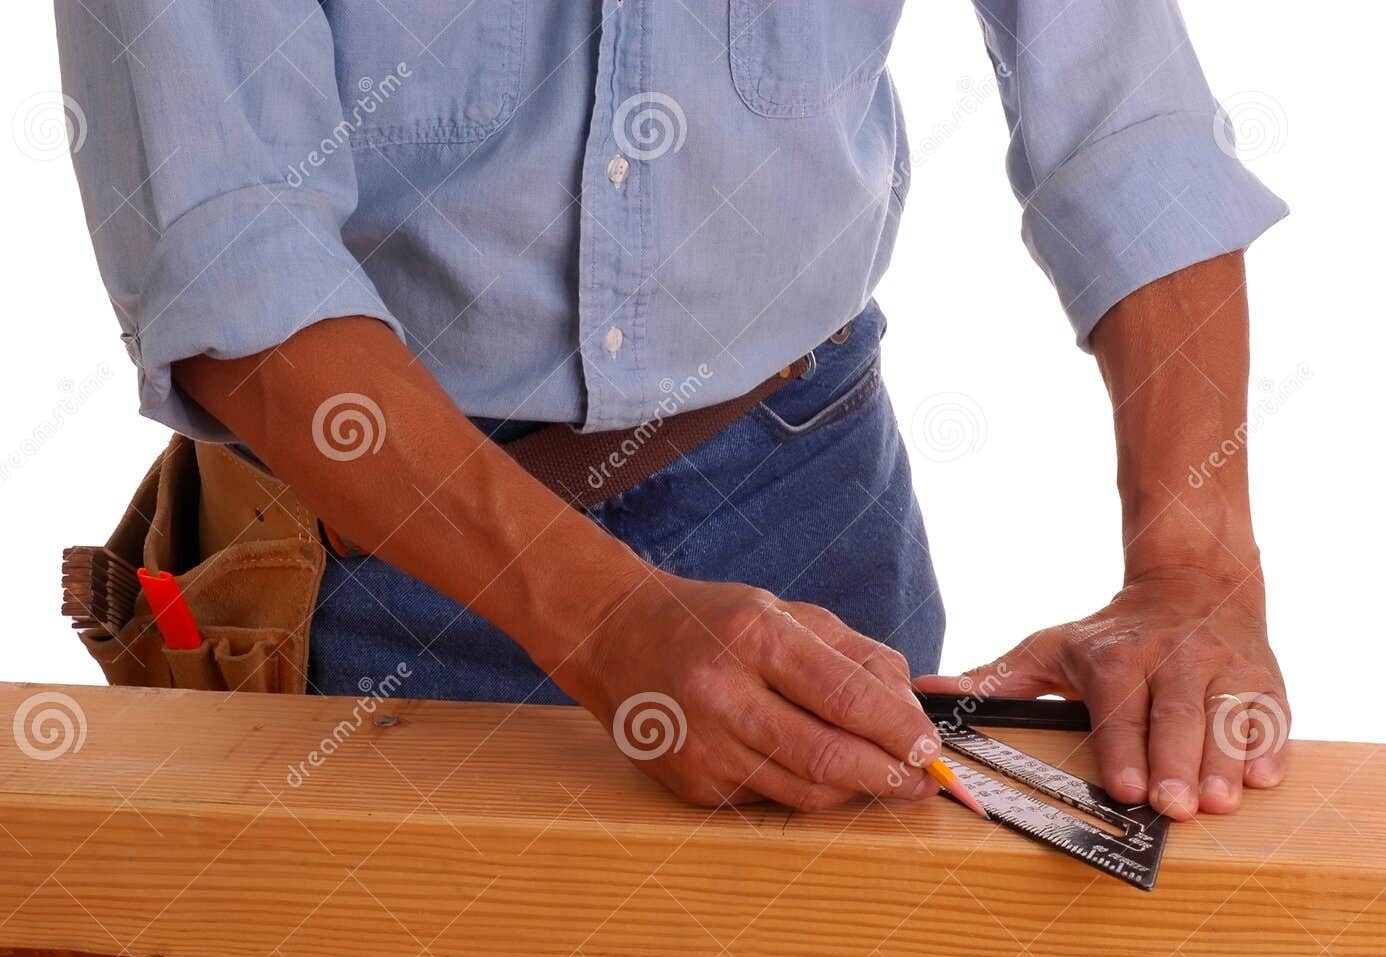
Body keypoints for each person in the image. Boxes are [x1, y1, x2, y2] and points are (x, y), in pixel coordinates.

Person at [57, 1, 1289, 821]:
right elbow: (228, 250)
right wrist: (601, 618)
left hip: (816, 496)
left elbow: (1125, 118)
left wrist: (1194, 568)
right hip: (368, 558)